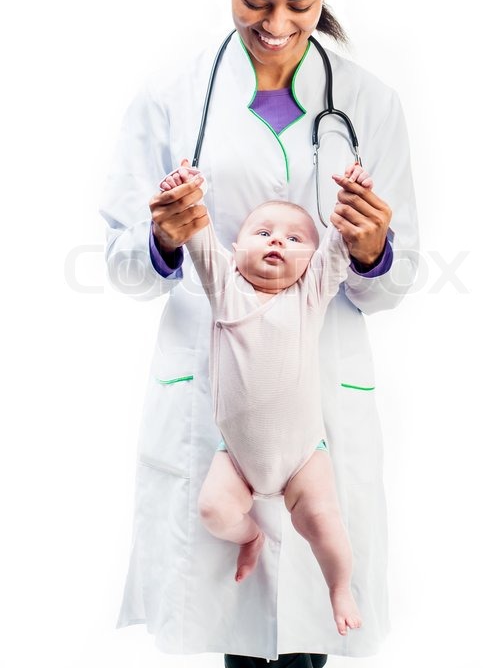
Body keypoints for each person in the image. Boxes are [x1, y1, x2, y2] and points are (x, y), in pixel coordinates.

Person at [99, 0, 419, 667]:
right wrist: (164, 241)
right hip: (213, 403)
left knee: (313, 621)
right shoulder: (171, 99)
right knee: (228, 627)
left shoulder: (369, 105)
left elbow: (395, 276)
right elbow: (124, 266)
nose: (277, 26)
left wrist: (375, 248)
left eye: (302, 6)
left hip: (319, 407)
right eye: (254, 1)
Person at [158, 162, 372, 636]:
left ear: (313, 260)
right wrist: (185, 195)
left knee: (326, 527)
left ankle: (340, 587)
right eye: (264, 231)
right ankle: (249, 534)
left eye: (297, 239)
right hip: (235, 457)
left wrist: (352, 198)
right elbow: (197, 233)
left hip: (302, 458)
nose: (278, 241)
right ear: (235, 252)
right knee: (214, 511)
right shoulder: (226, 290)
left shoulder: (309, 294)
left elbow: (339, 248)